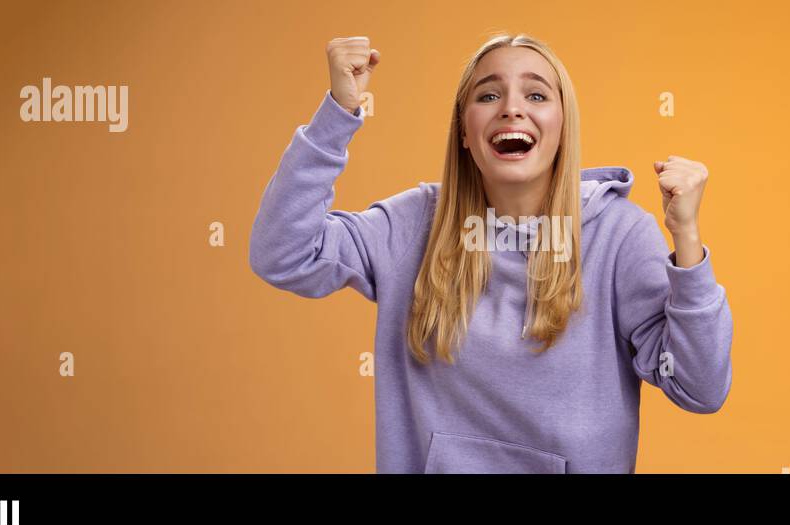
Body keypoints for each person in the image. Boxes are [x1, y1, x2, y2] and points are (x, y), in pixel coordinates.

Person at [249, 33, 733, 473]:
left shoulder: (619, 236)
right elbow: (283, 253)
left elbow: (699, 387)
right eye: (488, 94)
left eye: (537, 94)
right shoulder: (414, 225)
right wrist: (337, 115)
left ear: (563, 127)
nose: (512, 108)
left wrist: (686, 238)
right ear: (464, 131)